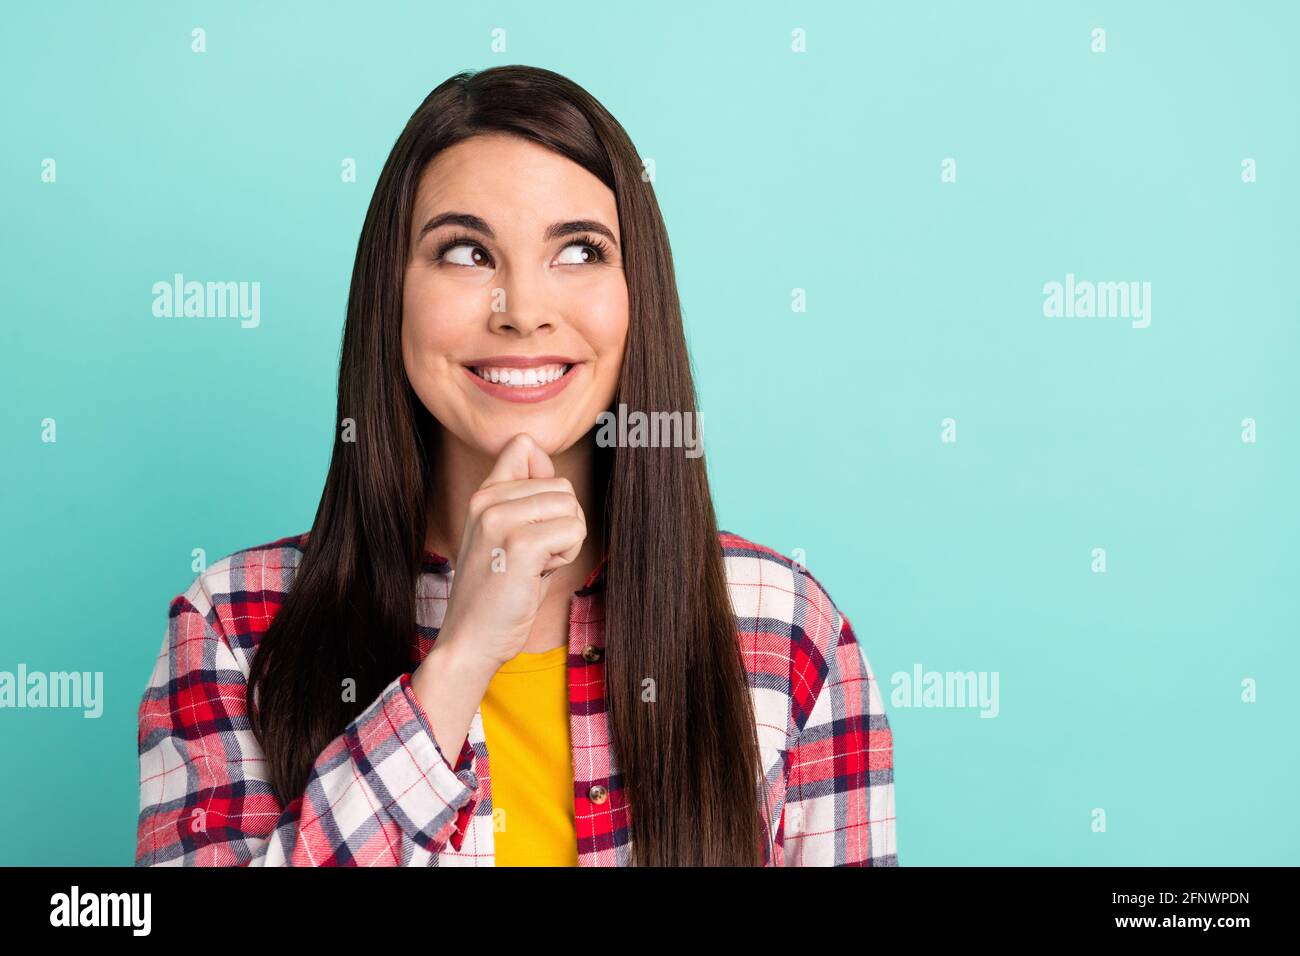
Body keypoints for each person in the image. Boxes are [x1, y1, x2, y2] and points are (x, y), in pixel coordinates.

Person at [135, 65, 896, 867]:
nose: (523, 309)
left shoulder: (786, 632)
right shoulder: (235, 630)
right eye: (466, 252)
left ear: (639, 295)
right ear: (390, 294)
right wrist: (458, 663)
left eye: (579, 250)